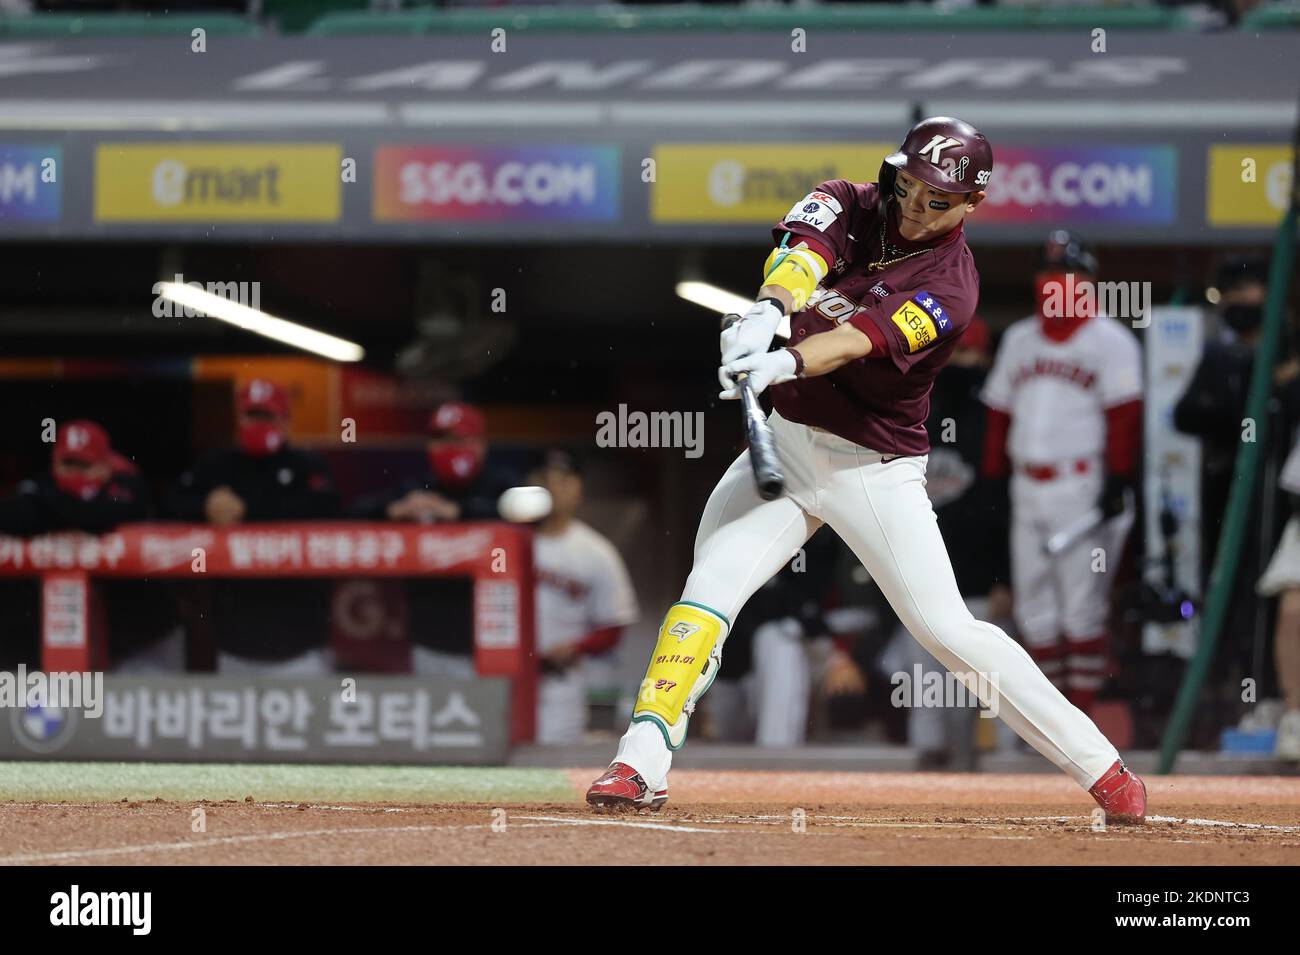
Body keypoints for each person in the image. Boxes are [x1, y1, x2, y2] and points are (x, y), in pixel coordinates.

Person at [586, 116, 1147, 823]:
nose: (916, 206)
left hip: (873, 469)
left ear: (971, 206)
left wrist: (784, 358)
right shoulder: (847, 201)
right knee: (707, 591)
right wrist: (769, 311)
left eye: (938, 200)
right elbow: (800, 258)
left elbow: (855, 339)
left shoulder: (954, 285)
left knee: (948, 630)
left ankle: (1103, 765)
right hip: (788, 444)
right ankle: (641, 759)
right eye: (909, 186)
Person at [980, 232, 1143, 715]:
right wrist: (992, 477)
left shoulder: (1111, 340)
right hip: (1027, 485)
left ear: (1088, 281)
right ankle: (1052, 724)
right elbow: (997, 413)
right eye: (1049, 275)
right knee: (1034, 610)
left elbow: (1125, 415)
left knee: (1081, 608)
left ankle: (1084, 719)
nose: (1058, 284)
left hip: (1082, 485)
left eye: (1068, 275)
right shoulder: (1019, 338)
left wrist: (1119, 478)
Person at [168, 379, 339, 674]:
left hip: (302, 643)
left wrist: (248, 509)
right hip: (235, 642)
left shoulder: (307, 465)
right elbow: (170, 503)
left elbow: (327, 509)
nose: (258, 424)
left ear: (285, 421)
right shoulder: (218, 465)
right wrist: (204, 506)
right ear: (239, 419)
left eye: (267, 417)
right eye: (252, 416)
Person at [0, 419, 183, 671]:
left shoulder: (127, 484)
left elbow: (114, 511)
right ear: (55, 463)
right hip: (86, 636)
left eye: (85, 465)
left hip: (147, 632)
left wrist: (55, 516)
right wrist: (73, 515)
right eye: (69, 464)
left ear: (106, 466)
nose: (76, 473)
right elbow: (13, 514)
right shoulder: (42, 485)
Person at [351, 401, 517, 676]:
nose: (448, 447)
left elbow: (532, 517)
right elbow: (351, 514)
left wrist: (458, 513)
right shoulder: (420, 489)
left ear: (480, 444)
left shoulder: (502, 486)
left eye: (457, 439)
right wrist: (393, 511)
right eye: (439, 439)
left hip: (495, 638)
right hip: (430, 640)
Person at [528, 449, 639, 744]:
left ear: (579, 488)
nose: (552, 487)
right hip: (506, 677)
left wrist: (576, 647)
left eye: (563, 479)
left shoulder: (595, 552)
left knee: (548, 767)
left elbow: (614, 626)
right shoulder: (506, 542)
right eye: (544, 479)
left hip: (559, 679)